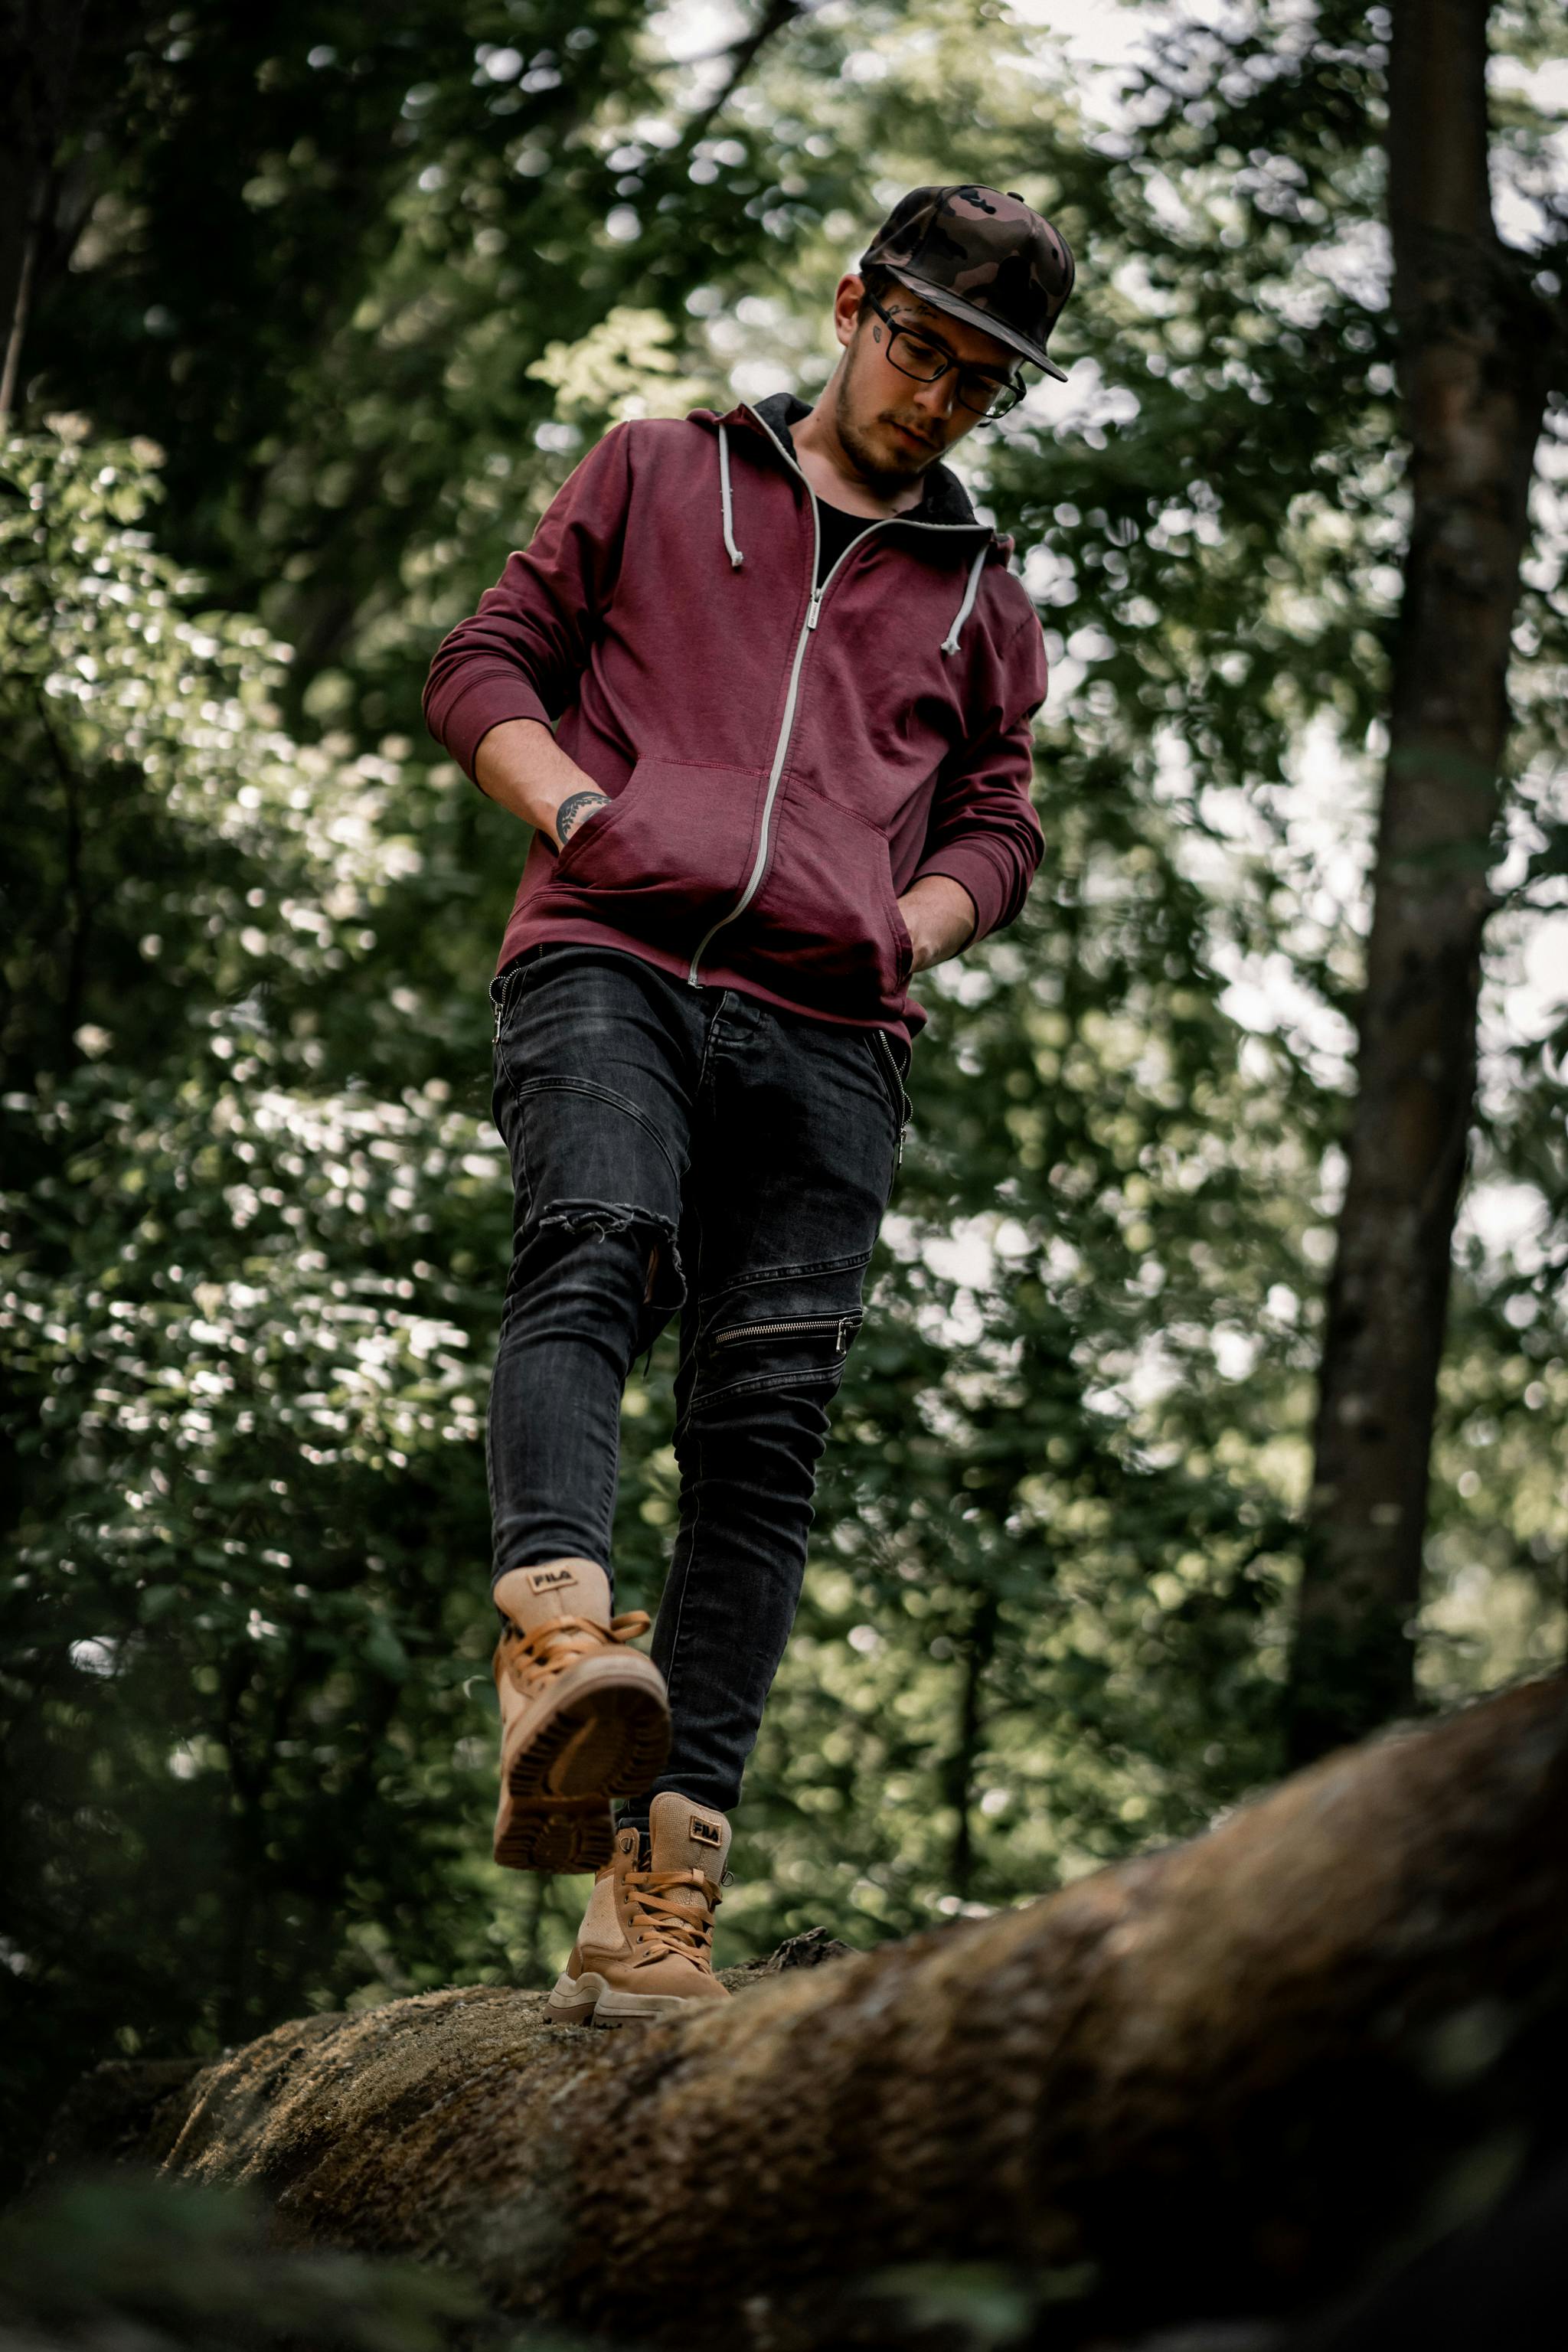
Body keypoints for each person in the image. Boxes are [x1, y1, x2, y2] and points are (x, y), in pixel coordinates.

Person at [423, 185, 1074, 2027]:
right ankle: (558, 1654)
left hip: (827, 1035)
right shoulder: (654, 470)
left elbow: (999, 824)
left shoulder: (983, 601)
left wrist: (902, 928)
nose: (940, 393)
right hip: (609, 958)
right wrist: (583, 816)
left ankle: (656, 1909)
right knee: (594, 1248)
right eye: (922, 345)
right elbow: (483, 663)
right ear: (854, 304)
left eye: (981, 379)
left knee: (764, 1439)